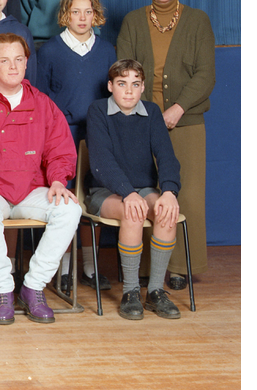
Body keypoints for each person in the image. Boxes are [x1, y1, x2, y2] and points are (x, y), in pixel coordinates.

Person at [0, 33, 80, 325]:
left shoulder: (43, 104)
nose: (13, 66)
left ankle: (33, 287)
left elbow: (60, 148)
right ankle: (3, 291)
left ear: (26, 63)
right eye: (4, 60)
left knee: (70, 209)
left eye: (19, 60)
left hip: (31, 190)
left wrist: (59, 181)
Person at [116, 0, 215, 290]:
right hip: (141, 121)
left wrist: (178, 109)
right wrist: (148, 114)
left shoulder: (198, 20)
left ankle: (179, 267)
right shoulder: (132, 20)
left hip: (185, 121)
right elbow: (124, 67)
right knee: (146, 191)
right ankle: (146, 268)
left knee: (184, 196)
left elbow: (205, 74)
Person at [34, 0, 117, 294]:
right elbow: (42, 98)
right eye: (76, 12)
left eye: (88, 12)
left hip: (97, 135)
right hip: (64, 135)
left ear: (96, 16)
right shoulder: (51, 51)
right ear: (65, 15)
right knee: (66, 200)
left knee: (95, 197)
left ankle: (90, 266)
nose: (82, 18)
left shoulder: (107, 50)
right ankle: (65, 268)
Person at [86, 59, 183, 320]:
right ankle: (130, 292)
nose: (128, 91)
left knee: (165, 210)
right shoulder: (98, 111)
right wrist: (127, 193)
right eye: (121, 84)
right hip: (106, 191)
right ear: (110, 86)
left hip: (143, 188)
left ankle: (155, 291)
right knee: (133, 213)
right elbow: (101, 162)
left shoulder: (151, 112)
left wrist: (170, 192)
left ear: (142, 88)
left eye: (135, 84)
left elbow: (166, 157)